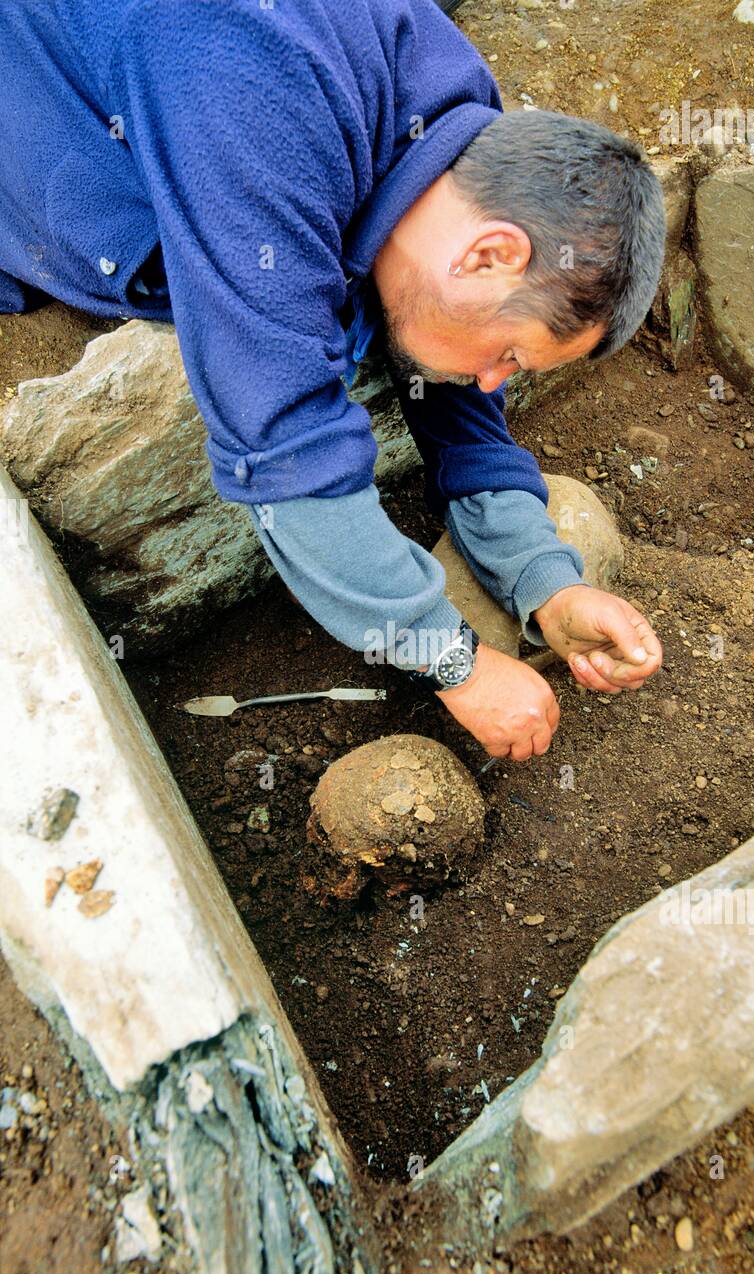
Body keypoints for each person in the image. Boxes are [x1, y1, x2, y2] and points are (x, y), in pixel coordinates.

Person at [0, 0, 664, 760]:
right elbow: (284, 440)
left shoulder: (460, 129)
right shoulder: (254, 90)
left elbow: (451, 388)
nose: (490, 382)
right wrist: (452, 662)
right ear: (490, 255)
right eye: (508, 354)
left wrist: (544, 581)